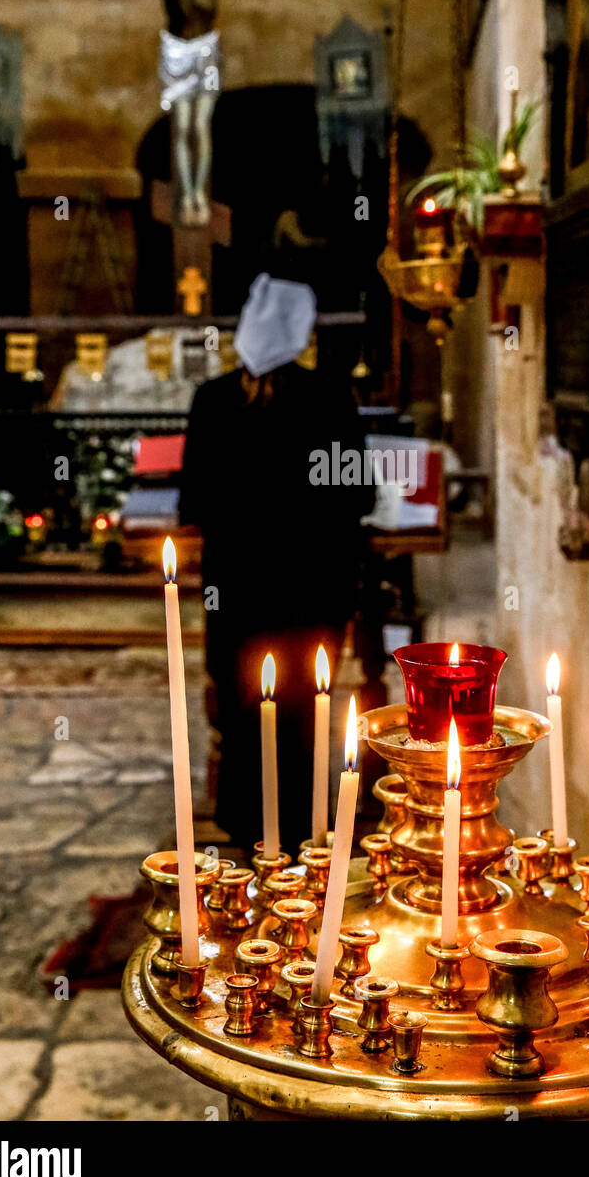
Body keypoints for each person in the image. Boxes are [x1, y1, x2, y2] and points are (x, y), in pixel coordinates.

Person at [179, 275, 372, 847]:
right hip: (314, 589)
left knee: (244, 710)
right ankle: (306, 830)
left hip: (237, 590)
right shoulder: (330, 397)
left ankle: (246, 829)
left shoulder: (213, 400)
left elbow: (193, 503)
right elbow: (358, 497)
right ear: (300, 333)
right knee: (305, 710)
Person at [64, 0, 330, 225]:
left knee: (201, 127)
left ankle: (197, 197)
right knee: (180, 127)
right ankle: (185, 193)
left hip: (204, 49)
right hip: (177, 51)